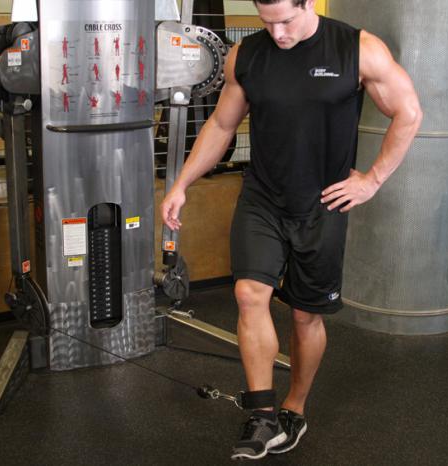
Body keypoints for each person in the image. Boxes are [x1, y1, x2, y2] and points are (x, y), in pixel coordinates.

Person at [160, 0, 422, 460]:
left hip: (322, 204)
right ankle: (262, 417)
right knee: (248, 294)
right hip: (262, 198)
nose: (277, 33)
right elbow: (222, 124)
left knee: (305, 316)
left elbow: (409, 112)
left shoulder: (357, 49)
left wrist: (372, 179)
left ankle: (293, 410)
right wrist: (181, 183)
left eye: (286, 20)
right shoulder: (249, 56)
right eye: (267, 22)